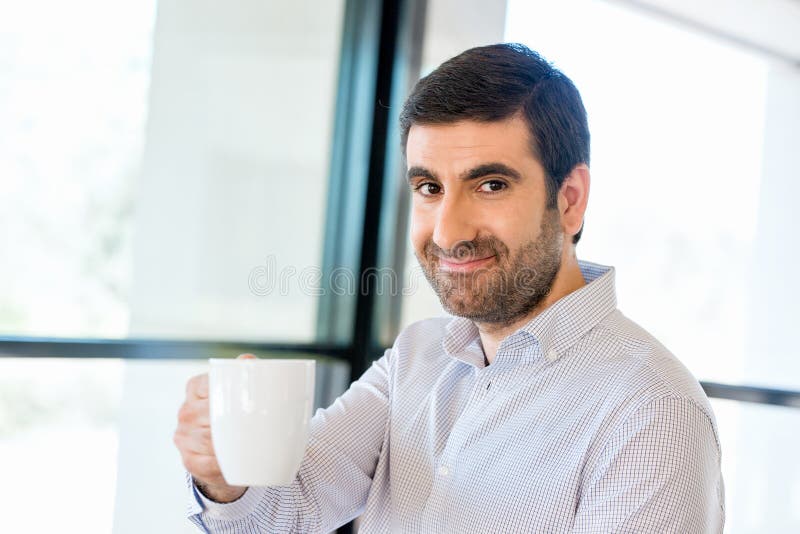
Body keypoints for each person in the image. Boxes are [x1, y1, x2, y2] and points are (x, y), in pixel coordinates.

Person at [174, 43, 725, 533]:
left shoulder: (652, 412)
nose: (448, 232)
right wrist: (225, 478)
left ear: (570, 199)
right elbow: (285, 515)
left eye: (490, 184)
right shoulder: (416, 359)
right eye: (429, 187)